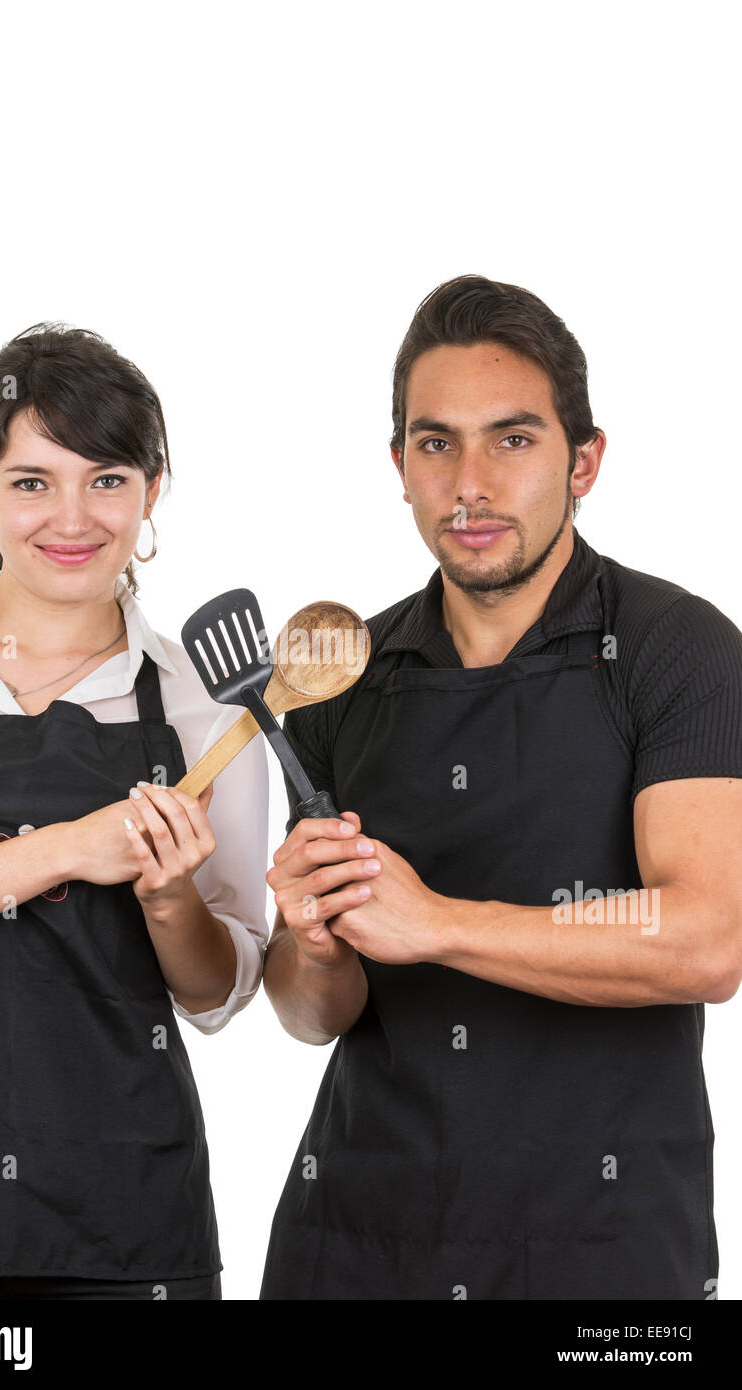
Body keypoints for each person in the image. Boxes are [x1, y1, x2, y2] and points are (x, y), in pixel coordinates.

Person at [259, 275, 742, 1301]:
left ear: (585, 460)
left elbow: (708, 939)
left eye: (512, 440)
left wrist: (438, 923)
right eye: (436, 444)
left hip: (603, 1257)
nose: (470, 484)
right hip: (354, 1244)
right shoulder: (340, 671)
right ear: (399, 467)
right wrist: (312, 940)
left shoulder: (674, 649)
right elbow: (314, 1015)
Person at [0, 323, 268, 1300]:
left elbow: (218, 993)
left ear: (151, 488)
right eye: (31, 481)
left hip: (125, 1214)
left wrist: (173, 902)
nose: (73, 517)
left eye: (107, 479)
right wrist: (69, 845)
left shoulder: (206, 706)